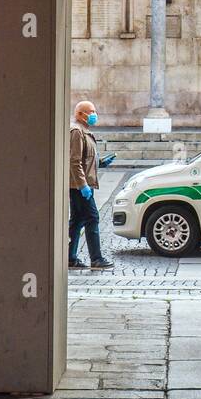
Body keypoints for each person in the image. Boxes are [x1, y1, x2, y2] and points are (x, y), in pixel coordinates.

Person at [69, 100, 114, 271]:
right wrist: (82, 186)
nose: (94, 114)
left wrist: (101, 162)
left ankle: (70, 257)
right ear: (80, 114)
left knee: (77, 220)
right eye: (91, 111)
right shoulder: (76, 131)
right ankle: (96, 259)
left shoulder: (84, 131)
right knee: (92, 218)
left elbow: (84, 159)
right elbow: (74, 161)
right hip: (79, 186)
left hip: (82, 184)